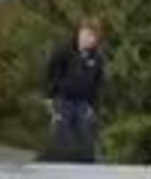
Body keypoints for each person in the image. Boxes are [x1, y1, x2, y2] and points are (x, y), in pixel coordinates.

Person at [43, 18, 105, 163]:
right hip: (62, 100)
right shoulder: (64, 51)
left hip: (83, 103)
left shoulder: (96, 58)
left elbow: (98, 84)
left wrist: (93, 107)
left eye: (92, 37)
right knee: (62, 135)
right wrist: (49, 98)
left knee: (85, 136)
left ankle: (87, 167)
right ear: (80, 33)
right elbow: (50, 73)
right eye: (85, 35)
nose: (88, 39)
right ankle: (58, 164)